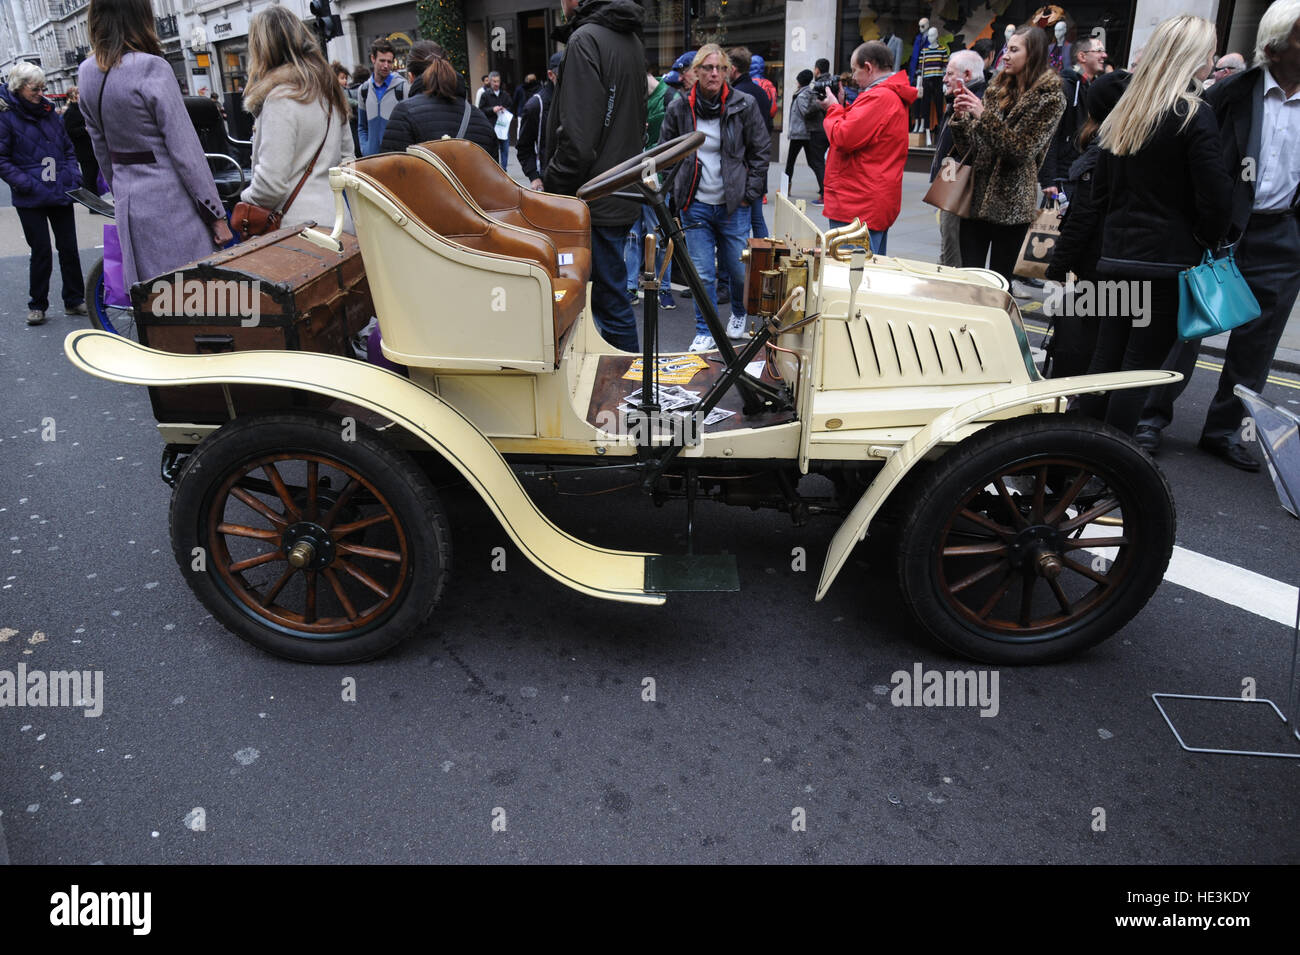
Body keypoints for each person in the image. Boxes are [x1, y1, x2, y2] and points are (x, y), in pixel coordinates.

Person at [1136, 0, 1300, 468]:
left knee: (1258, 343)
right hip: (1218, 231)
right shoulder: (1230, 92)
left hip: (1282, 234)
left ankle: (1226, 431)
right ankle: (1148, 418)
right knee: (1185, 328)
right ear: (1277, 44)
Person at [1056, 14, 1231, 437]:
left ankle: (1080, 452)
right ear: (1193, 57)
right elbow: (1216, 199)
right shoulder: (1192, 114)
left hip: (1116, 258)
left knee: (1105, 362)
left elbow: (1101, 192)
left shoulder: (1127, 111)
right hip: (1166, 264)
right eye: (1210, 52)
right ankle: (1112, 461)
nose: (1212, 60)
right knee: (1138, 371)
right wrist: (1204, 238)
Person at [78, 0, 230, 293]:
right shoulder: (151, 67)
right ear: (141, 16)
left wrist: (120, 193)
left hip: (130, 203)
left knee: (150, 299)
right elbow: (185, 150)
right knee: (194, 297)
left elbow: (101, 149)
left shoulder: (86, 72)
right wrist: (215, 214)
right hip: (172, 205)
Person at [543, 0, 648, 354]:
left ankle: (626, 378)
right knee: (609, 297)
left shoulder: (586, 39)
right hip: (617, 188)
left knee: (599, 301)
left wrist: (553, 189)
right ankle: (625, 375)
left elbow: (578, 141)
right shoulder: (628, 39)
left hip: (591, 195)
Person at [659, 43, 770, 351]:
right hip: (695, 205)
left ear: (727, 72)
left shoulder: (743, 104)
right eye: (707, 68)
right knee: (703, 274)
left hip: (734, 205)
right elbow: (665, 152)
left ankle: (738, 312)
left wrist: (749, 193)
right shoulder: (680, 108)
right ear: (695, 72)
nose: (714, 74)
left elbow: (761, 151)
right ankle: (704, 329)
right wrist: (675, 190)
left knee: (737, 270)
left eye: (720, 68)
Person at [949, 24, 1065, 283]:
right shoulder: (995, 88)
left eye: (1014, 50)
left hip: (1012, 207)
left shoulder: (1050, 98)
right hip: (975, 200)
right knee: (970, 279)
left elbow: (1021, 151)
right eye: (1006, 49)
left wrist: (983, 116)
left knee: (1000, 284)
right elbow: (971, 148)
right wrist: (961, 119)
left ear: (1032, 54)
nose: (1006, 56)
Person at [1043, 69, 1131, 378]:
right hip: (1125, 262)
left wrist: (1056, 268)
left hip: (1099, 264)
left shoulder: (1100, 155)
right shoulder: (1134, 147)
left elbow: (1083, 217)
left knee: (1088, 341)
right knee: (1113, 341)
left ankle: (1082, 397)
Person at [240, 5, 356, 236]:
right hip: (338, 221)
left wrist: (244, 198)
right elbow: (348, 161)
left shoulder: (281, 99)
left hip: (297, 230)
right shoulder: (329, 92)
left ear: (262, 48)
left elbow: (270, 186)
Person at [0, 62, 86, 325]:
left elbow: (68, 148)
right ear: (18, 87)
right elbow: (2, 159)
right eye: (35, 89)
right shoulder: (6, 117)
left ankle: (74, 300)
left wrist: (72, 175)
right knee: (41, 251)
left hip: (59, 189)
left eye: (42, 88)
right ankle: (37, 304)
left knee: (69, 248)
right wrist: (25, 183)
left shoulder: (49, 112)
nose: (41, 93)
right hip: (30, 197)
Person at [821, 40, 917, 255]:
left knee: (853, 271)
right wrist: (842, 106)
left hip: (857, 203)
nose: (853, 77)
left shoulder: (880, 96)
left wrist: (833, 108)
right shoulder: (886, 94)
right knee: (869, 267)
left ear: (868, 67)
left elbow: (844, 137)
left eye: (855, 70)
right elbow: (862, 133)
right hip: (867, 199)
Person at [380, 51, 498, 157]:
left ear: (411, 77)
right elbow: (494, 171)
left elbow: (390, 167)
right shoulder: (480, 117)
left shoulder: (404, 112)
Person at [624, 61, 674, 308]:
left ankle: (664, 287)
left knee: (658, 232)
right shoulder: (633, 98)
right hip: (634, 174)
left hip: (657, 177)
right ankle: (631, 285)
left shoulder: (670, 98)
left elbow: (672, 142)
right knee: (633, 235)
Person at [929, 50, 986, 266]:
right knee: (949, 242)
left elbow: (972, 146)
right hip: (951, 178)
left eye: (950, 74)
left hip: (958, 182)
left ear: (967, 75)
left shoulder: (975, 102)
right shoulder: (959, 98)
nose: (944, 79)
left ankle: (950, 279)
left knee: (952, 248)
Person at [1042, 36, 1106, 191]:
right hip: (1063, 176)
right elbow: (1051, 133)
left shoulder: (1093, 87)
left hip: (1081, 172)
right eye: (1098, 51)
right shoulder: (1065, 87)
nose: (1104, 55)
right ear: (1082, 56)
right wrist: (1049, 180)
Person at [728, 46, 772, 241]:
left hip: (743, 167)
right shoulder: (760, 92)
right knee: (757, 218)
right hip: (757, 164)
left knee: (745, 221)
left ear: (733, 68)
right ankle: (764, 253)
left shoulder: (737, 94)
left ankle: (756, 255)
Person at [356, 38, 407, 156]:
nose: (386, 66)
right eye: (382, 61)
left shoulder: (402, 87)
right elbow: (362, 126)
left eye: (389, 62)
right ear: (373, 59)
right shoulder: (364, 90)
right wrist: (365, 149)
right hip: (372, 159)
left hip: (396, 158)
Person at [518, 53, 561, 190]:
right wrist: (534, 176)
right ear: (551, 75)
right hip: (549, 181)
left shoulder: (576, 99)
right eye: (563, 74)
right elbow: (524, 146)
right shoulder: (536, 105)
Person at [785, 69, 826, 200]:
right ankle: (824, 186)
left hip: (800, 133)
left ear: (800, 81)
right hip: (805, 133)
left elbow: (805, 112)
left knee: (791, 162)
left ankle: (786, 188)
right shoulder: (807, 92)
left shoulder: (802, 95)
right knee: (813, 162)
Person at [62, 84, 101, 197]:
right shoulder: (70, 112)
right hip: (84, 150)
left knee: (95, 175)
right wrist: (84, 129)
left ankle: (94, 197)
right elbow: (69, 131)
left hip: (93, 147)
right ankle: (92, 200)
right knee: (89, 176)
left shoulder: (84, 108)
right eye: (78, 93)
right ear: (73, 96)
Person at [478, 71, 512, 168]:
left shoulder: (505, 95)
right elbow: (481, 110)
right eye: (494, 81)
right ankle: (495, 169)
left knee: (505, 149)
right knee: (493, 150)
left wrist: (505, 109)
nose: (496, 84)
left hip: (503, 127)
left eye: (498, 81)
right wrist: (492, 109)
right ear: (490, 82)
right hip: (491, 127)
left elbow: (511, 106)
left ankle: (504, 169)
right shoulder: (485, 95)